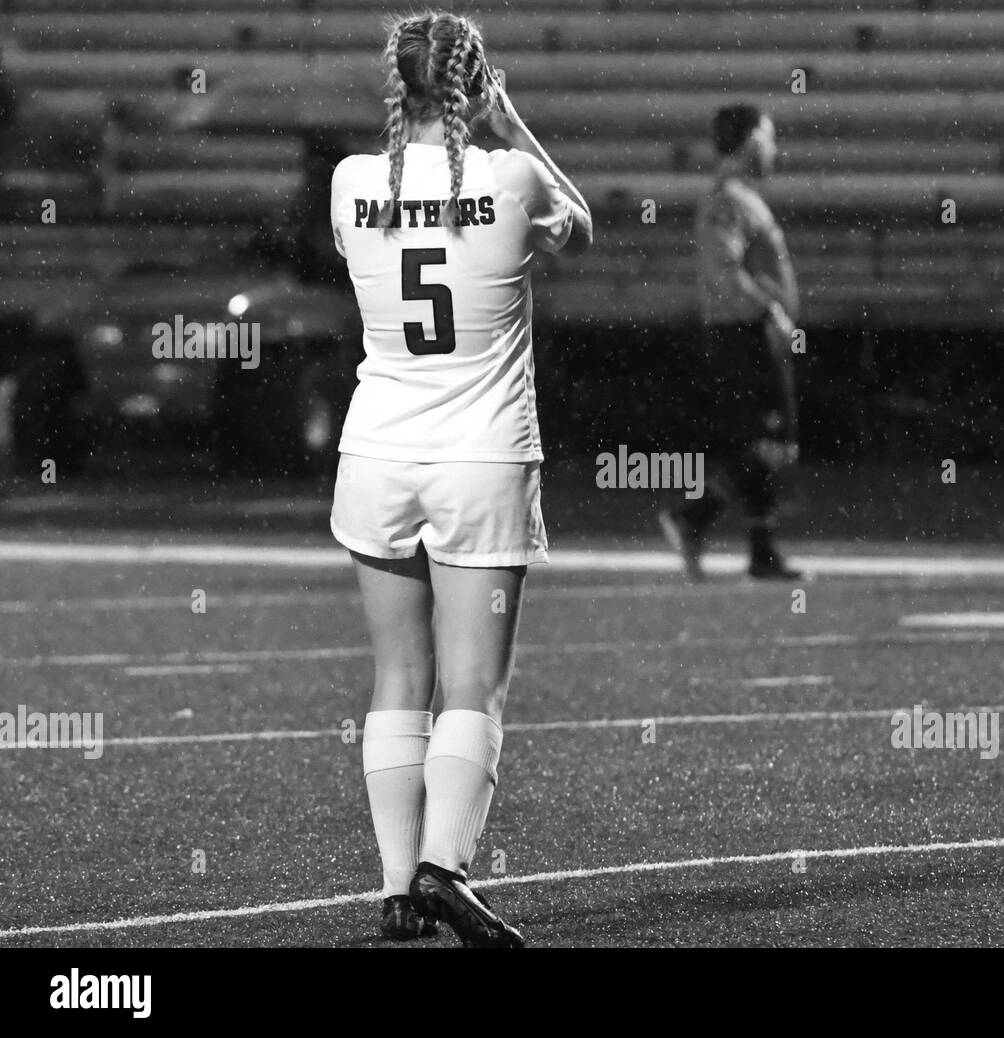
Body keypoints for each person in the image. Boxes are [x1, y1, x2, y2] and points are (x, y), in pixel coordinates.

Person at [329, 9, 592, 944]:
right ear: (475, 87)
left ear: (394, 87)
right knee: (472, 690)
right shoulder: (512, 174)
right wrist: (509, 120)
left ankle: (400, 889)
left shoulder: (349, 182)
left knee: (398, 674)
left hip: (376, 454)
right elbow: (584, 227)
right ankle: (444, 870)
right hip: (480, 458)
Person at [660, 104, 802, 581]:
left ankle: (762, 551)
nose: (775, 149)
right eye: (769, 137)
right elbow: (725, 271)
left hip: (750, 331)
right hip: (742, 334)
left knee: (758, 442)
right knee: (768, 443)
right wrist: (768, 309)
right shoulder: (728, 200)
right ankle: (692, 516)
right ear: (750, 143)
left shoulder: (742, 198)